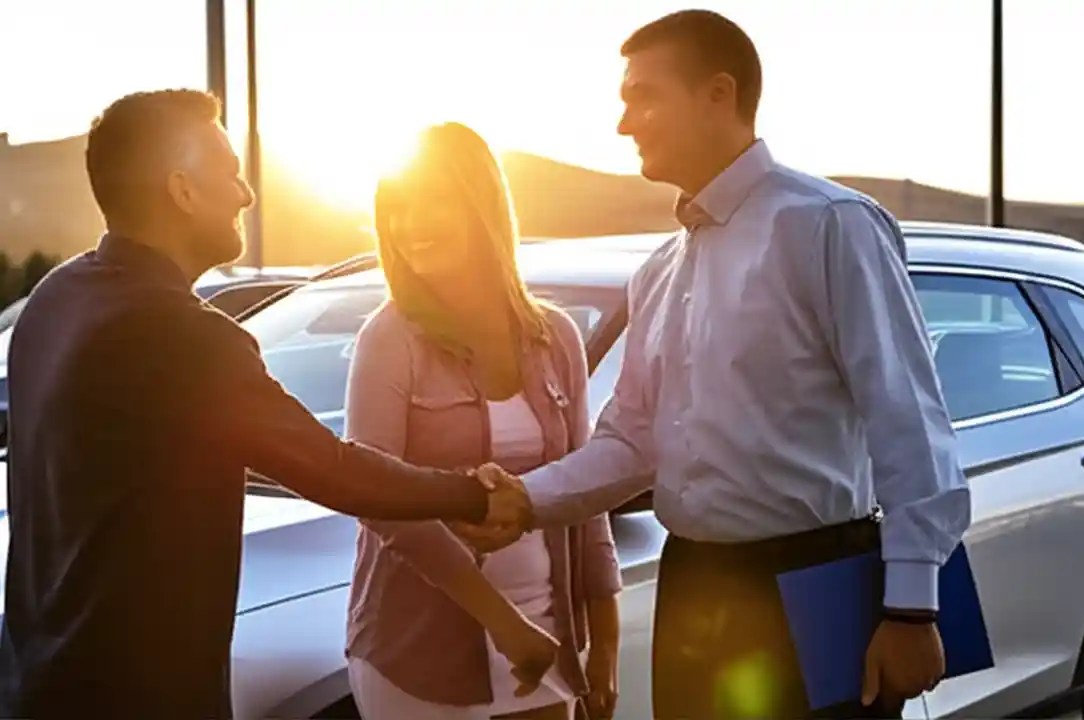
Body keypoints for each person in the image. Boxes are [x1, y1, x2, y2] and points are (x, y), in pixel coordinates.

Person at [477, 9, 972, 720]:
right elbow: (634, 441)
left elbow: (908, 420)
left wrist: (914, 608)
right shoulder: (657, 271)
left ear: (719, 93)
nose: (625, 124)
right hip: (695, 587)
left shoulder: (829, 225)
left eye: (643, 96)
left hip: (819, 582)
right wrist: (525, 500)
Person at [0, 90, 556, 719]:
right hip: (138, 694)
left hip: (39, 684)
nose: (246, 194)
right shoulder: (182, 334)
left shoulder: (58, 295)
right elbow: (337, 469)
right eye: (231, 173)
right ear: (182, 191)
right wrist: (476, 496)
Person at [342, 122, 623, 720]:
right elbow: (378, 499)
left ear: (481, 205)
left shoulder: (557, 339)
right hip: (419, 654)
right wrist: (504, 625)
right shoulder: (390, 339)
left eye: (432, 203)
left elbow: (586, 492)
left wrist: (605, 642)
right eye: (397, 208)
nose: (411, 225)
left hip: (547, 642)